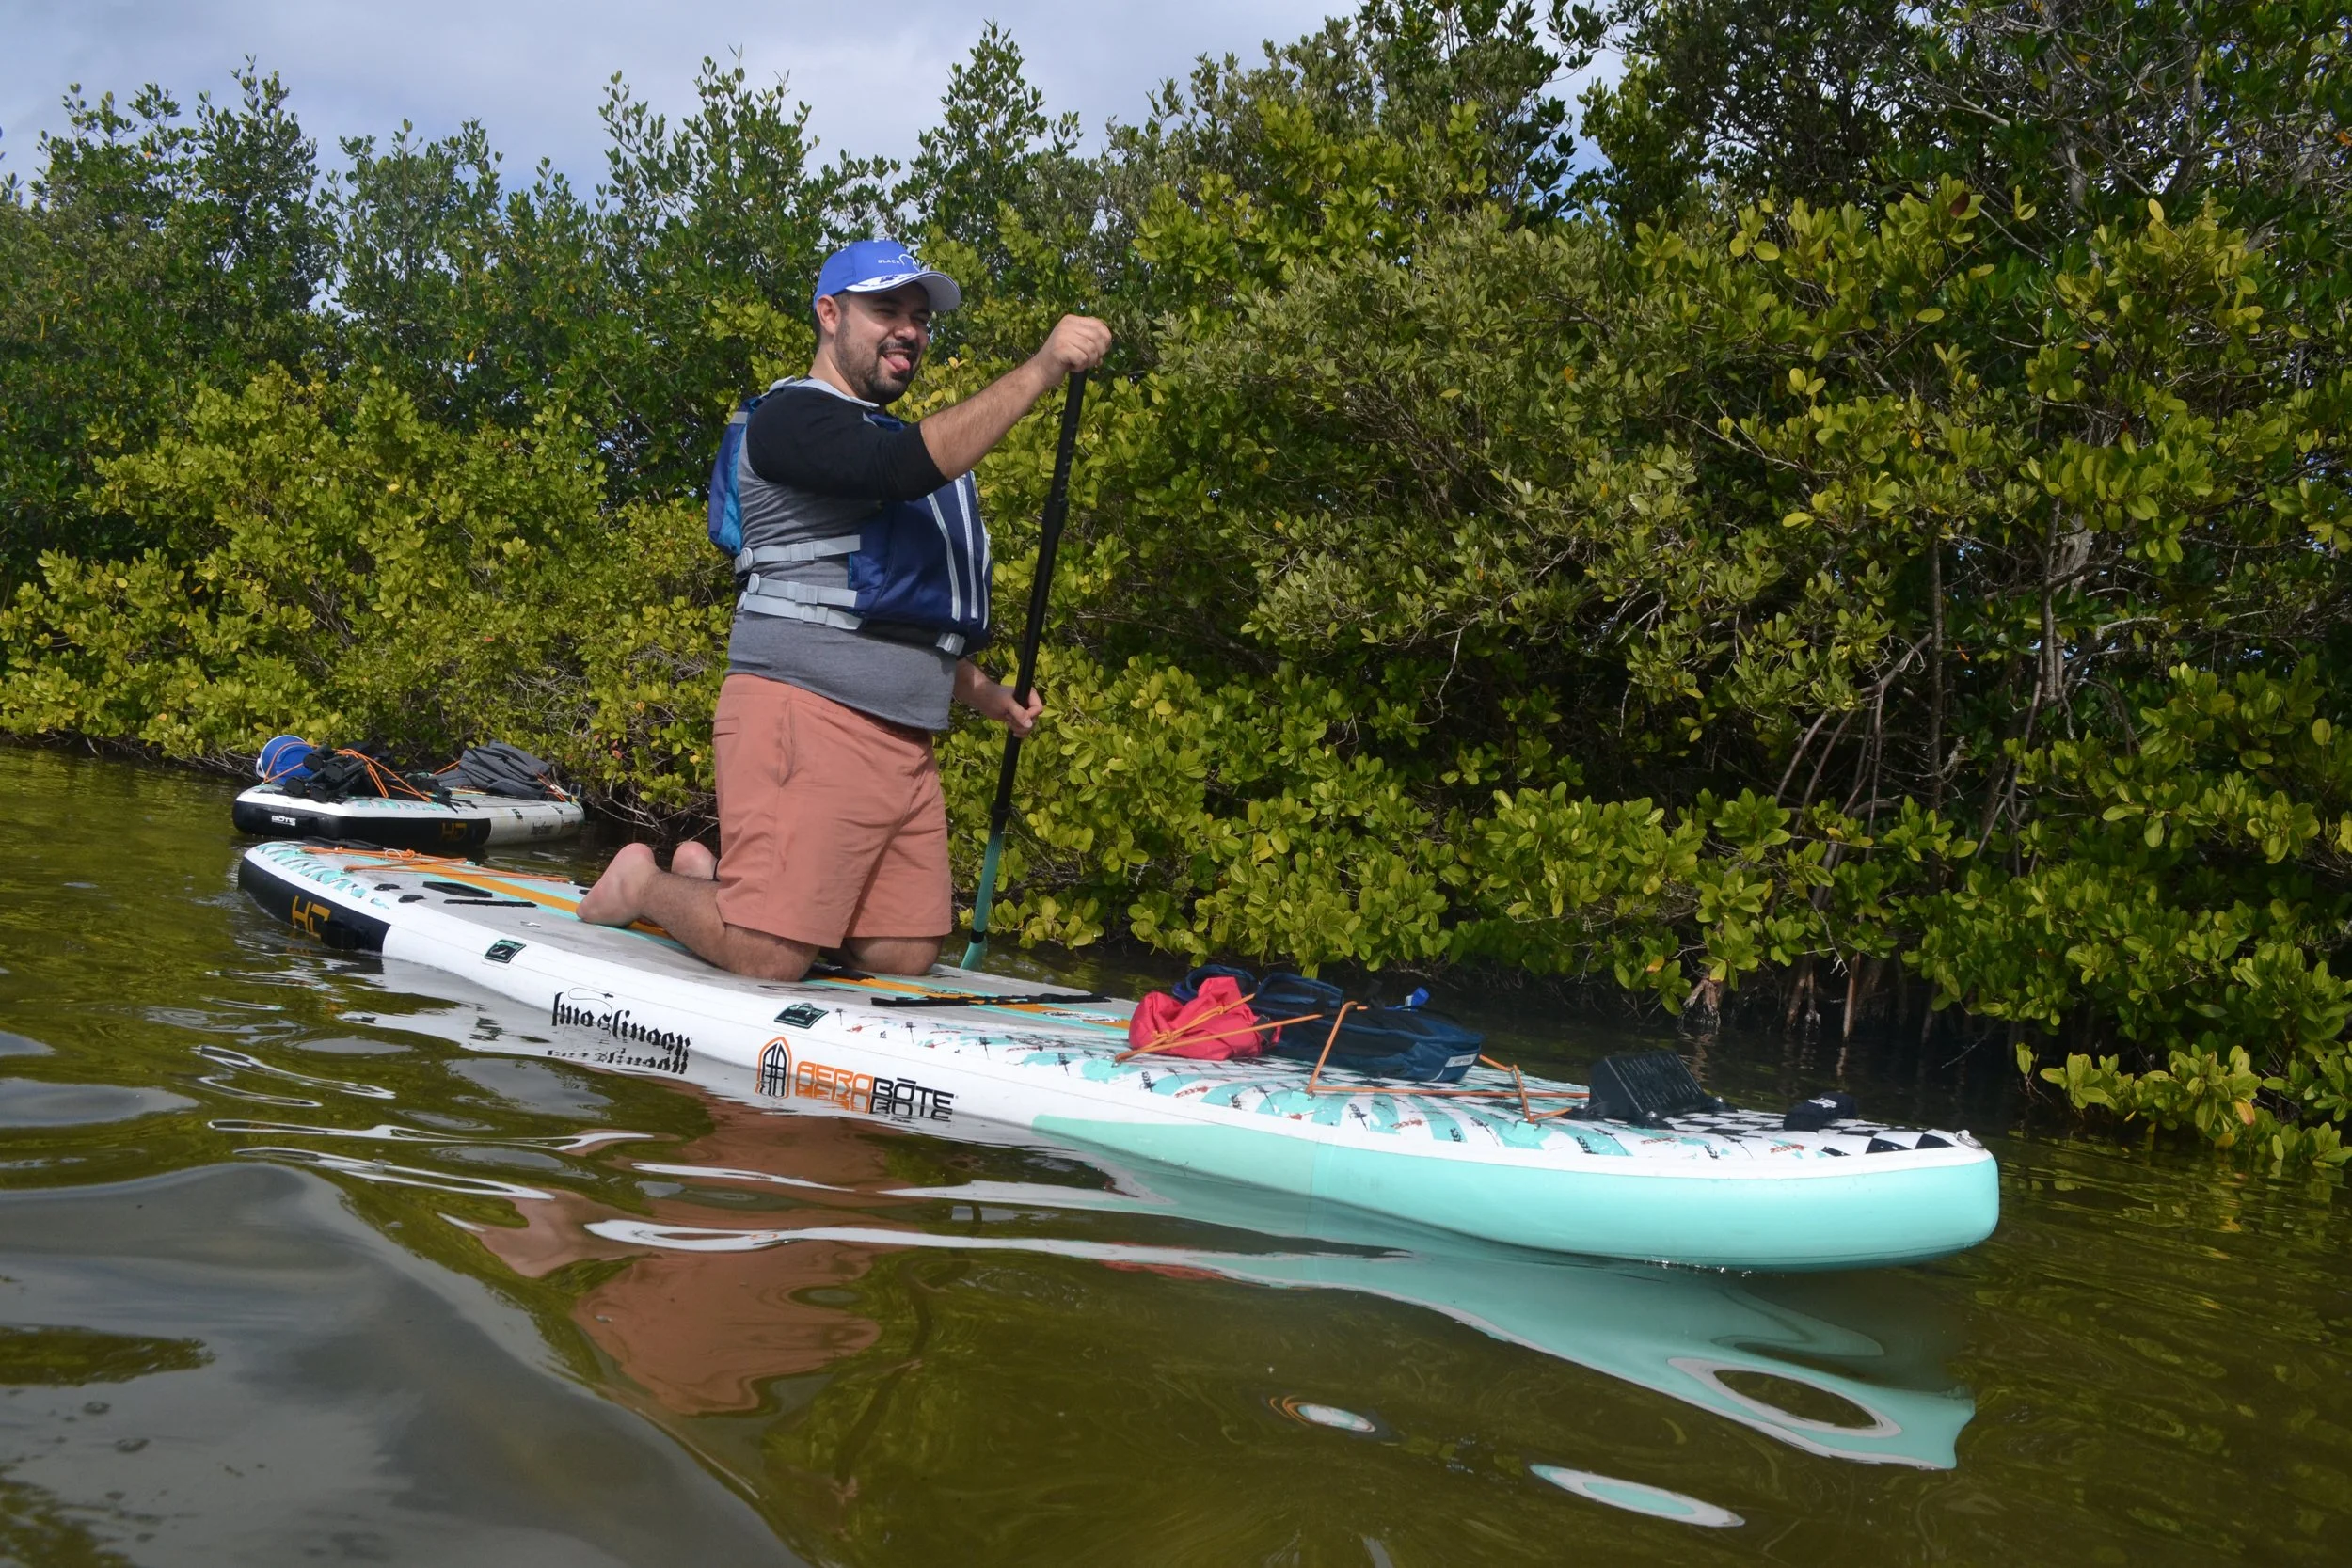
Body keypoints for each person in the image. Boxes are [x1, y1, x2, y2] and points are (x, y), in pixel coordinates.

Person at [577, 239, 1110, 979]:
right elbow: (899, 469)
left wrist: (988, 696)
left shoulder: (888, 443)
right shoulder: (793, 420)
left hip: (905, 742)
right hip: (804, 712)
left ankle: (712, 879)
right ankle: (644, 882)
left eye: (920, 317)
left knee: (903, 957)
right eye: (886, 308)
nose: (911, 329)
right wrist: (1044, 367)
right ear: (830, 314)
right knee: (770, 957)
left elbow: (897, 612)